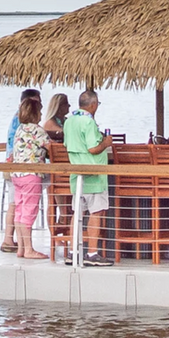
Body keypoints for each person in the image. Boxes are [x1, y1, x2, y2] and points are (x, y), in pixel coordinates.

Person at [63, 89, 114, 267]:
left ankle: (72, 251)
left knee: (77, 213)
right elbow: (93, 148)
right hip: (93, 175)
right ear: (93, 104)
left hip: (77, 174)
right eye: (97, 104)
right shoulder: (88, 122)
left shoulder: (69, 121)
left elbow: (68, 145)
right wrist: (106, 143)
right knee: (96, 212)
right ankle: (92, 253)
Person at [2, 88, 41, 252]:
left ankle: (19, 245)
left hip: (15, 168)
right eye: (38, 103)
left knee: (17, 205)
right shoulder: (25, 123)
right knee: (17, 205)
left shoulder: (19, 123)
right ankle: (10, 240)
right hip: (23, 169)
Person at [10, 97, 50, 259]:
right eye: (39, 111)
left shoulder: (20, 129)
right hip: (31, 175)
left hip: (17, 174)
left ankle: (21, 248)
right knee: (29, 211)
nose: (41, 114)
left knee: (20, 211)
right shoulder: (37, 130)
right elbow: (49, 147)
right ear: (35, 113)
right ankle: (29, 249)